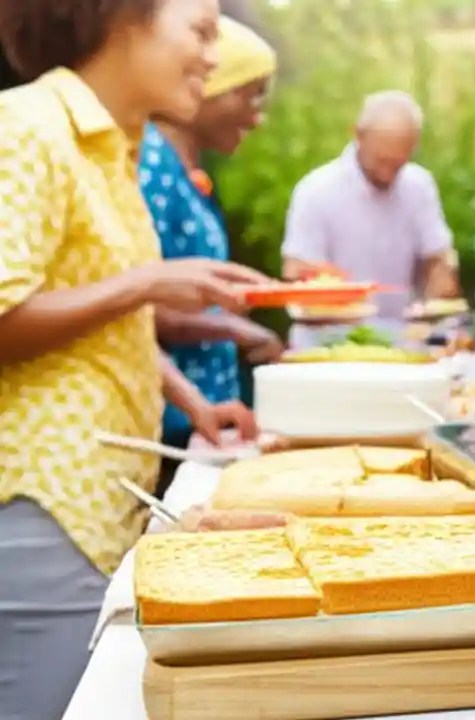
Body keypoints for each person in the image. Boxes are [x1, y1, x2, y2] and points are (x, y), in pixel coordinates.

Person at [0, 1, 271, 716]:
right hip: (42, 500)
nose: (214, 57)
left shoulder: (114, 149)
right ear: (123, 17)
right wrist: (149, 281)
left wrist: (191, 401)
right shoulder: (24, 127)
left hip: (101, 497)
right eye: (202, 31)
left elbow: (99, 324)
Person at [142, 16, 280, 476]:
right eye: (252, 93)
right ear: (213, 88)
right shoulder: (151, 162)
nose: (258, 116)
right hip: (166, 423)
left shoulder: (184, 169)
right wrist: (237, 330)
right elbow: (135, 299)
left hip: (199, 412)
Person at [282, 90, 460, 321]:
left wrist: (437, 303)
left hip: (404, 338)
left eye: (398, 164)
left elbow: (438, 260)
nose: (388, 174)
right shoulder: (316, 190)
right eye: (382, 161)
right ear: (358, 135)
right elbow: (297, 271)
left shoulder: (419, 185)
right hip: (330, 339)